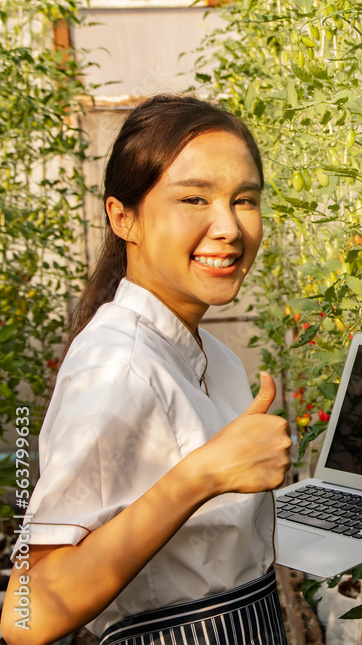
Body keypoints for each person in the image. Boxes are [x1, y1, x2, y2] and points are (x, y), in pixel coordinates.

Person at [0, 95, 293, 644]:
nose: (228, 227)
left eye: (245, 199)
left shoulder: (211, 355)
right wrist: (203, 475)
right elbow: (27, 616)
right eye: (194, 198)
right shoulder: (118, 367)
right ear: (124, 217)